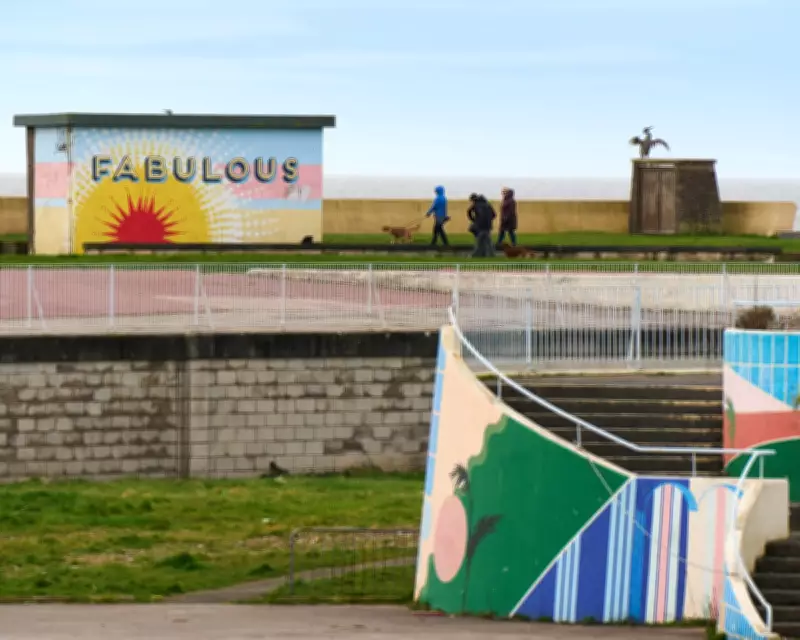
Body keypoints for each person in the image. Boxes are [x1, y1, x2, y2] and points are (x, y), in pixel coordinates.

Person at [467, 193, 496, 257]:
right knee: (488, 241)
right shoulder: (488, 204)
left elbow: (468, 211)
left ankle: (476, 254)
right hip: (488, 225)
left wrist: (473, 219)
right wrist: (488, 219)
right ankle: (490, 254)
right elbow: (494, 215)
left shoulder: (476, 205)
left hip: (479, 225)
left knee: (479, 241)